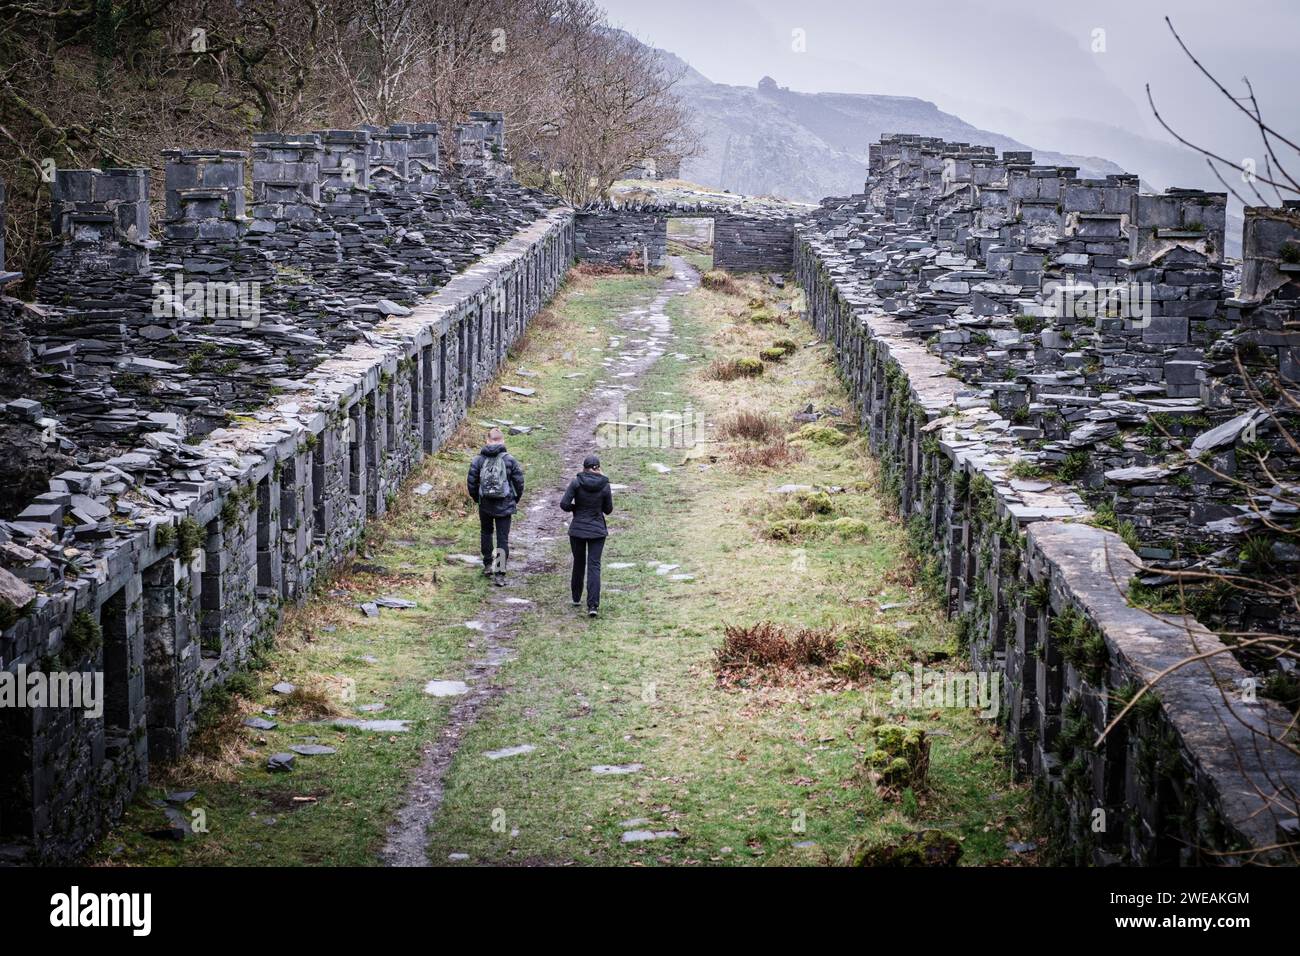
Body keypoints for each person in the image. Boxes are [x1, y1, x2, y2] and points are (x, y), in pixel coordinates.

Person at [467, 427, 525, 586]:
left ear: (487, 440)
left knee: (486, 532)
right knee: (502, 538)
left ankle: (487, 564)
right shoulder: (509, 460)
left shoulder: (478, 460)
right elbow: (519, 483)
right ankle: (499, 573)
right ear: (502, 440)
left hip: (485, 504)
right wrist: (514, 499)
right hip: (505, 504)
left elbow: (471, 483)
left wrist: (477, 498)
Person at [560, 454, 614, 617]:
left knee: (578, 562)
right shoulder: (604, 484)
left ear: (584, 467)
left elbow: (564, 504)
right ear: (598, 467)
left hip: (577, 530)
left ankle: (576, 597)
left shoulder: (576, 482)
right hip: (597, 531)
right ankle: (593, 606)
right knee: (594, 566)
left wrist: (576, 509)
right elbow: (608, 510)